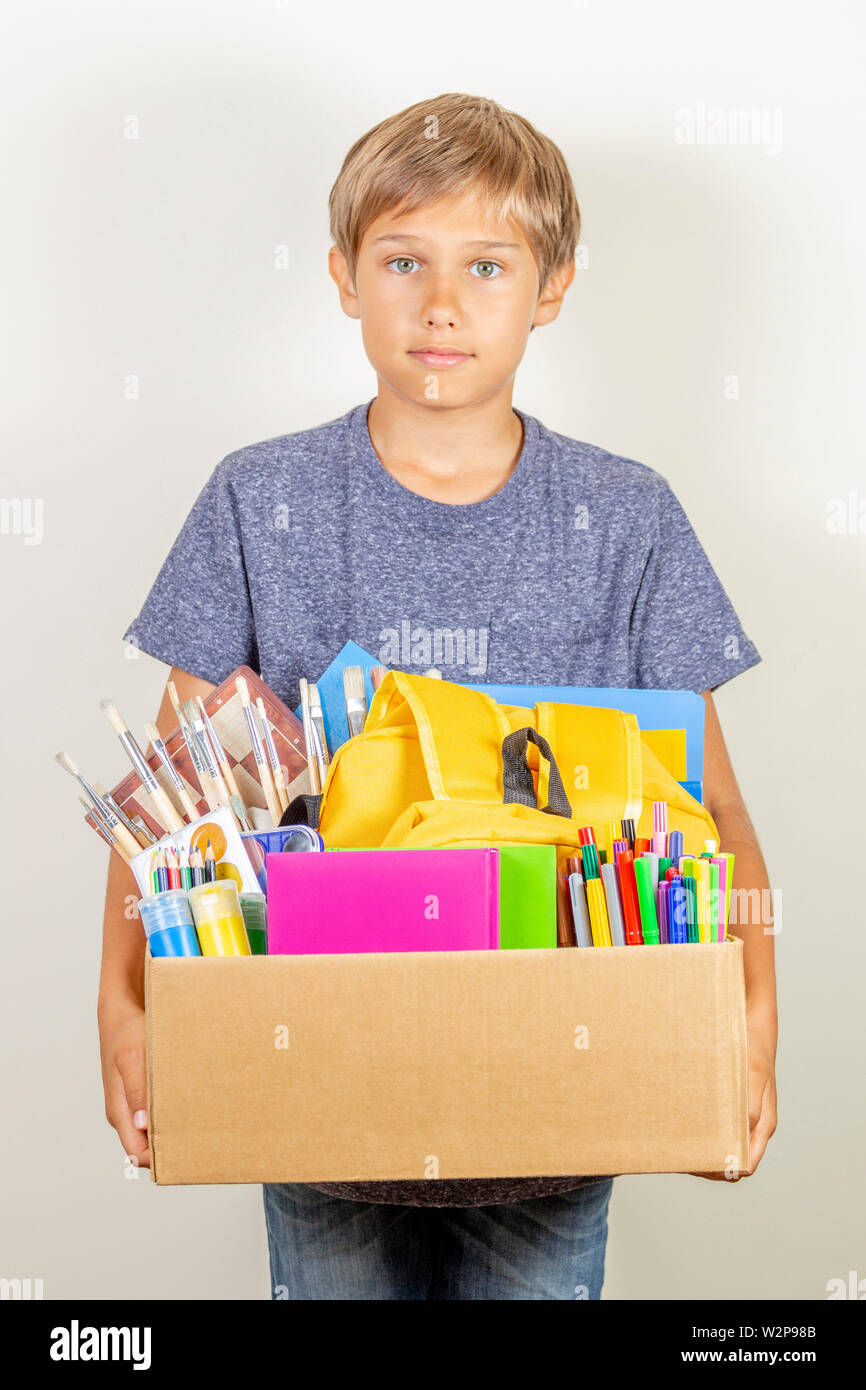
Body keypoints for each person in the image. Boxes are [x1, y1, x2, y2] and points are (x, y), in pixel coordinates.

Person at [99, 93, 777, 1301]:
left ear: (552, 285)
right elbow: (174, 809)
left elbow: (710, 813)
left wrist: (747, 1020)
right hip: (313, 1094)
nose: (442, 304)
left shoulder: (624, 516)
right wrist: (127, 1006)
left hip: (556, 1113)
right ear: (343, 277)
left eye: (487, 265)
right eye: (402, 260)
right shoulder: (263, 501)